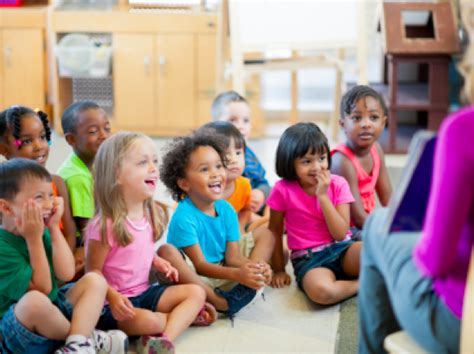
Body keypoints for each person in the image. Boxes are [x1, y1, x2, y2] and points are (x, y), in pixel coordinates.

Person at [358, 106, 474, 353]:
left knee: (376, 224)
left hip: (460, 326)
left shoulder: (464, 128)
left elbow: (435, 262)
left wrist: (427, 238)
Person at [85, 132, 211, 354]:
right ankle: (179, 320)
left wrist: (157, 261)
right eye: (143, 163)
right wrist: (113, 298)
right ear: (116, 174)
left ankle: (162, 341)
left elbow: (139, 251)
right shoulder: (104, 225)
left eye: (155, 161)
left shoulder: (149, 212)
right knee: (149, 322)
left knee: (196, 293)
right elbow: (92, 273)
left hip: (144, 292)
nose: (154, 168)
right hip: (113, 304)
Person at [0, 158, 128, 354]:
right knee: (33, 301)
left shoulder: (41, 229)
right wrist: (33, 239)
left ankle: (76, 344)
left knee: (95, 280)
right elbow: (42, 290)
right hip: (18, 333)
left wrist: (53, 228)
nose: (49, 204)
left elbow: (66, 273)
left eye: (50, 195)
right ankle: (88, 339)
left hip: (54, 312)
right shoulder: (4, 246)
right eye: (38, 197)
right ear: (7, 208)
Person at [157, 131, 272, 322]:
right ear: (184, 183)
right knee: (166, 252)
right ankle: (218, 302)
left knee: (267, 233)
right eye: (204, 169)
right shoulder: (184, 217)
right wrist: (237, 274)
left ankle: (248, 283)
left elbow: (233, 257)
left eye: (219, 166)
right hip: (196, 276)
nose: (216, 174)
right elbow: (201, 267)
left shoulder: (226, 209)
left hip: (221, 269)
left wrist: (254, 268)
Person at [267, 122, 361, 305]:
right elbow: (274, 231)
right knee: (322, 292)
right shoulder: (282, 190)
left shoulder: (338, 183)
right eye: (306, 161)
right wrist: (279, 269)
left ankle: (356, 279)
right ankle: (361, 285)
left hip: (342, 248)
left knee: (374, 253)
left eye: (321, 158)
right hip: (309, 259)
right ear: (289, 162)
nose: (317, 167)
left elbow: (341, 234)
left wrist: (323, 197)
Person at [0, 106, 79, 271]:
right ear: (4, 149)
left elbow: (70, 233)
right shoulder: (5, 190)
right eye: (27, 141)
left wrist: (63, 266)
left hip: (59, 265)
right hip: (20, 272)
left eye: (43, 137)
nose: (39, 146)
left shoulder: (56, 182)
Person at [331, 85, 392, 239]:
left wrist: (401, 222)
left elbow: (388, 197)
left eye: (374, 118)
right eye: (357, 118)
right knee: (382, 243)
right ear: (343, 124)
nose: (366, 124)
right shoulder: (342, 161)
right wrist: (386, 230)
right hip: (345, 230)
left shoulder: (376, 149)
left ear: (383, 123)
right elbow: (357, 217)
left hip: (365, 223)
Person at [58, 101, 111, 275]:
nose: (104, 135)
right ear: (71, 139)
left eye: (107, 128)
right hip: (83, 243)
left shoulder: (95, 163)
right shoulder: (77, 177)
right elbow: (88, 229)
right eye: (93, 132)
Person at [211, 91, 270, 214]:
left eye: (246, 120)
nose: (241, 126)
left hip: (250, 208)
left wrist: (261, 193)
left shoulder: (250, 155)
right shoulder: (211, 156)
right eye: (232, 120)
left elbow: (263, 182)